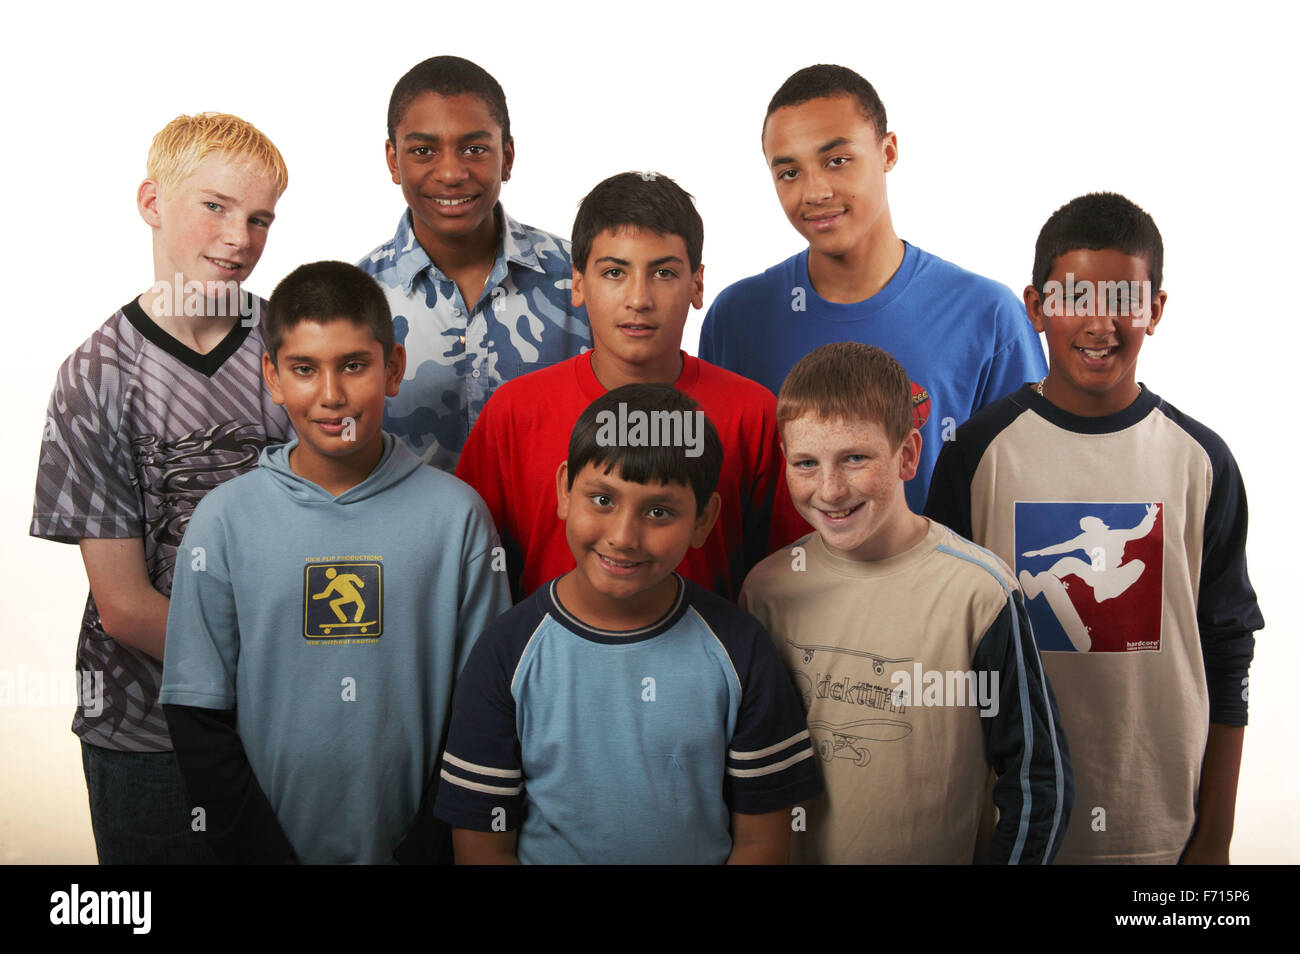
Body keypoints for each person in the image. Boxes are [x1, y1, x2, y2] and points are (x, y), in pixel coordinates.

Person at [924, 192, 1263, 863]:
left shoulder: (1201, 461)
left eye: (1124, 299)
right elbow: (944, 647)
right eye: (1075, 296)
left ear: (1155, 310)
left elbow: (1228, 651)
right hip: (1015, 833)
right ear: (1036, 306)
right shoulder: (976, 453)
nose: (1099, 323)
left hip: (1159, 831)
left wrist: (1215, 835)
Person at [159, 261, 511, 863]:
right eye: (304, 369)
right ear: (272, 376)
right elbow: (197, 707)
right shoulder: (224, 520)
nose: (331, 395)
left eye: (353, 365)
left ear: (393, 369)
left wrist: (428, 846)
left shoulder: (458, 518)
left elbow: (484, 705)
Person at [29, 112, 291, 864]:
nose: (239, 238)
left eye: (260, 219)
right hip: (150, 734)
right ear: (152, 202)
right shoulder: (97, 375)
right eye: (215, 206)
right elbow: (125, 607)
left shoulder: (294, 345)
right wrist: (288, 668)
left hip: (289, 728)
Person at [434, 384, 822, 863]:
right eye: (602, 499)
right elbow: (481, 846)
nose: (623, 537)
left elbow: (763, 842)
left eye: (659, 512)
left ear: (704, 519)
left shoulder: (742, 650)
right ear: (564, 490)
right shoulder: (506, 652)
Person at [740, 342, 1071, 864]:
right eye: (806, 463)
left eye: (855, 458)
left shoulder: (979, 592)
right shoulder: (766, 591)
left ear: (908, 455)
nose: (830, 489)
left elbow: (1036, 776)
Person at [698, 64, 1046, 511]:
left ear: (888, 152)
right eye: (789, 172)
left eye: (837, 161)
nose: (815, 192)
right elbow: (717, 493)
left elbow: (1026, 494)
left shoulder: (988, 315)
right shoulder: (737, 318)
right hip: (778, 562)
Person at [455, 171, 808, 601]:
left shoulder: (753, 414)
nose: (638, 299)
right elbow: (473, 571)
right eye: (614, 272)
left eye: (663, 273)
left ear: (697, 284)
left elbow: (789, 576)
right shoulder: (515, 411)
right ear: (578, 284)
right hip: (545, 641)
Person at [358, 55, 591, 472]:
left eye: (474, 149)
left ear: (508, 156)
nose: (451, 173)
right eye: (423, 150)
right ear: (393, 160)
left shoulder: (583, 279)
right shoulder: (356, 298)